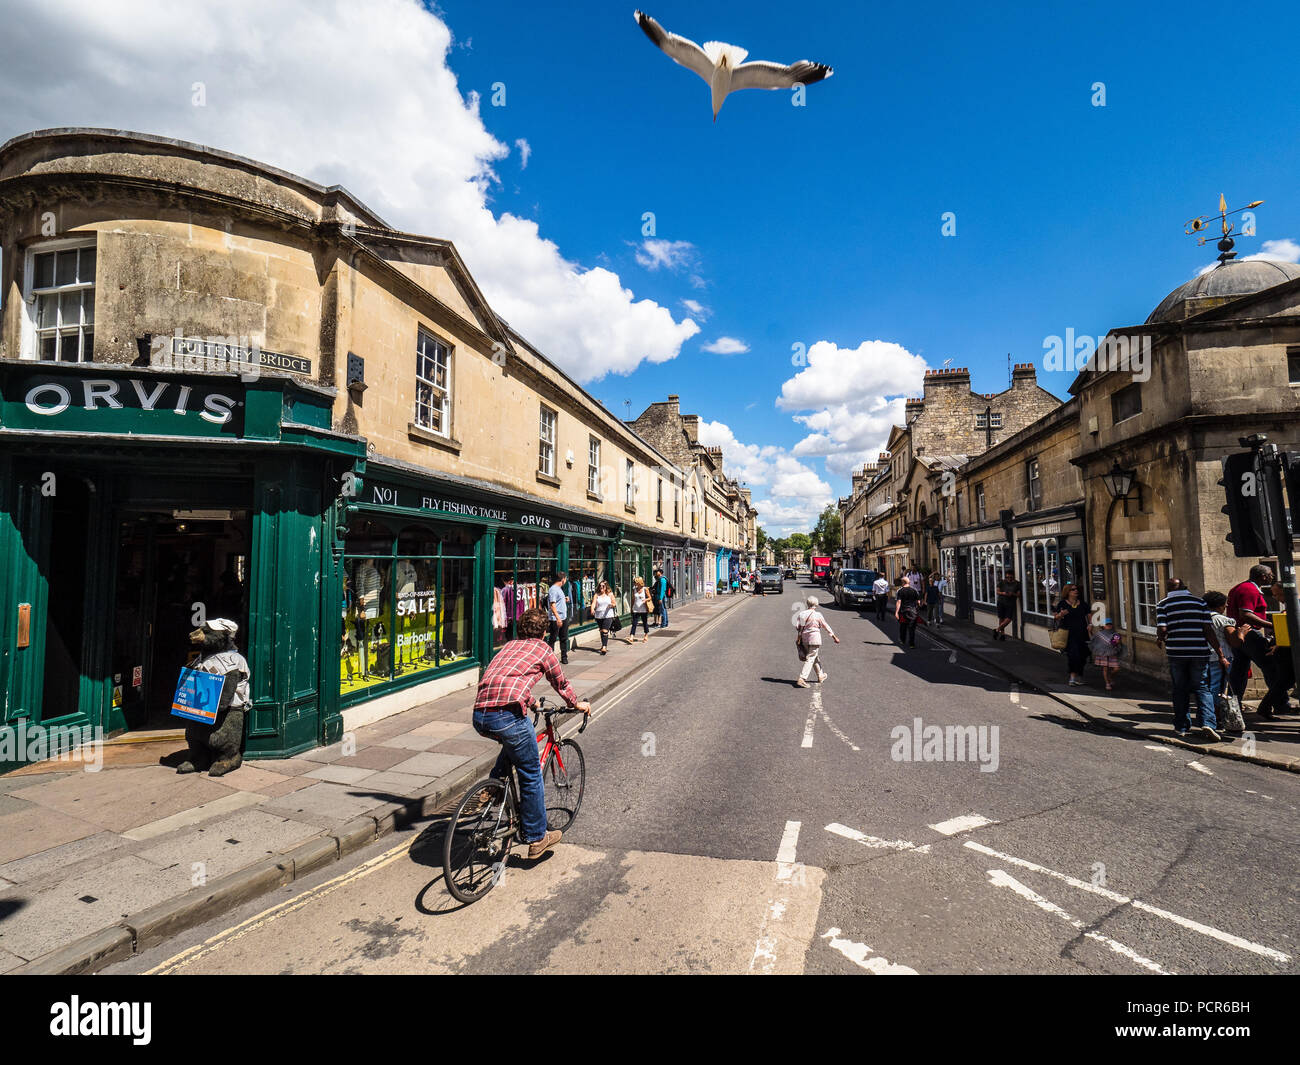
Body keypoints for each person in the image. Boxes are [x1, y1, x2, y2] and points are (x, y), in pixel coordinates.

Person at [472, 606, 590, 860]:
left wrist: (530, 701)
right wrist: (576, 703)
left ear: (520, 629)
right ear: (545, 631)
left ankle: (491, 788)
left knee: (513, 742)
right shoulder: (543, 650)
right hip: (506, 714)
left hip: (480, 715)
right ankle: (537, 837)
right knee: (530, 772)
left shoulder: (508, 647)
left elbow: (506, 679)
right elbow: (560, 682)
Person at [1155, 579, 1220, 740]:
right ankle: (1208, 724)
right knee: (1202, 688)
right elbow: (1208, 629)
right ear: (1186, 587)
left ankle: (1182, 727)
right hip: (1199, 652)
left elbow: (1162, 628)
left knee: (1180, 689)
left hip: (1176, 653)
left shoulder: (1163, 604)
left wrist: (1160, 638)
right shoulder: (1200, 603)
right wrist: (1220, 652)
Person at [1226, 564, 1291, 719]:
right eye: (1270, 574)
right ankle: (1279, 705)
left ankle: (1234, 706)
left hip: (1239, 634)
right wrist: (1272, 624)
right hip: (1249, 633)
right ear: (1263, 576)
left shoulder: (1240, 587)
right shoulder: (1249, 589)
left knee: (1238, 673)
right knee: (1271, 666)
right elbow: (1246, 614)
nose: (1272, 577)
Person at [1204, 590, 1244, 735]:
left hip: (1202, 657)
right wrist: (1242, 632)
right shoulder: (1223, 620)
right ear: (1219, 605)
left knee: (1206, 688)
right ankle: (1216, 719)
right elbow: (1235, 641)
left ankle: (1206, 717)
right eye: (1225, 604)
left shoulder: (1200, 618)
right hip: (1221, 658)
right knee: (1220, 689)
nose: (1226, 606)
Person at [794, 595, 839, 687]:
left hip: (804, 638)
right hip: (815, 639)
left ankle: (821, 675)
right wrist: (834, 636)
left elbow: (798, 627)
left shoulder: (802, 614)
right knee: (811, 658)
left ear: (807, 604)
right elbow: (825, 626)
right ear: (816, 604)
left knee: (814, 656)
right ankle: (802, 678)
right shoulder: (818, 615)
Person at [1051, 583, 1091, 686]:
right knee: (1073, 655)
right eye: (1073, 589)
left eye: (1076, 589)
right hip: (1068, 633)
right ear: (1068, 592)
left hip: (1082, 633)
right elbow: (1055, 617)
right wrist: (1061, 614)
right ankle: (1072, 677)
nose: (1075, 591)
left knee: (1083, 655)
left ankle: (1080, 676)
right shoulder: (1062, 604)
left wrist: (1090, 624)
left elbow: (1089, 615)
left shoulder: (1082, 604)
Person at [1089, 617, 1121, 691]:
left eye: (1110, 624)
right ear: (1103, 625)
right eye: (1107, 624)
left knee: (1116, 668)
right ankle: (1107, 683)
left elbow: (1115, 643)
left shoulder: (1115, 634)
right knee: (1105, 669)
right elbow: (1093, 640)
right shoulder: (1099, 634)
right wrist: (1089, 631)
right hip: (1102, 654)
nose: (1109, 625)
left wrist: (1117, 642)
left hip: (1112, 654)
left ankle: (1110, 677)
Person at [546, 572, 571, 664]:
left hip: (562, 617)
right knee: (553, 638)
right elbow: (552, 605)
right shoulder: (553, 589)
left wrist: (564, 599)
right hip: (556, 619)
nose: (565, 581)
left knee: (563, 638)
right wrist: (558, 618)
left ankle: (564, 657)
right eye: (565, 579)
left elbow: (556, 602)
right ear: (563, 579)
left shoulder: (559, 589)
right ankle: (550, 659)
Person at [590, 579, 616, 655]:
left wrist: (611, 605)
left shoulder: (610, 594)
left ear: (606, 587)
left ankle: (604, 646)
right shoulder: (596, 595)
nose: (601, 587)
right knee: (602, 630)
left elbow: (614, 603)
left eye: (603, 586)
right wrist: (592, 609)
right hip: (599, 615)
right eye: (600, 586)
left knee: (605, 630)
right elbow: (593, 603)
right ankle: (603, 645)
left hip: (608, 615)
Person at [895, 576, 922, 649]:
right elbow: (919, 602)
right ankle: (911, 644)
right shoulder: (915, 590)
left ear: (903, 582)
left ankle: (903, 640)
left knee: (903, 627)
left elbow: (899, 602)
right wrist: (917, 609)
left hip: (903, 612)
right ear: (908, 582)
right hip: (913, 612)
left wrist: (896, 612)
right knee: (912, 628)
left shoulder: (900, 591)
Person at [625, 575, 652, 643]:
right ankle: (631, 636)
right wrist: (631, 607)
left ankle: (646, 634)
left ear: (639, 582)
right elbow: (633, 599)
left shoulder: (645, 589)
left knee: (645, 623)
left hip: (643, 609)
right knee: (634, 623)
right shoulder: (634, 589)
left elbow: (650, 597)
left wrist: (645, 600)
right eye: (634, 582)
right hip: (636, 609)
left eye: (635, 582)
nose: (634, 583)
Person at [994, 574, 1021, 641]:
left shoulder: (1017, 584)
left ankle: (997, 630)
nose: (1008, 578)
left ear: (1013, 577)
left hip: (1010, 603)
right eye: (1007, 577)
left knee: (1008, 619)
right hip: (1001, 602)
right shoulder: (1002, 582)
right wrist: (1003, 593)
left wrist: (1012, 594)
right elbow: (997, 592)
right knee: (1001, 618)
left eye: (1010, 577)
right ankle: (1002, 635)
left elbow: (1018, 595)